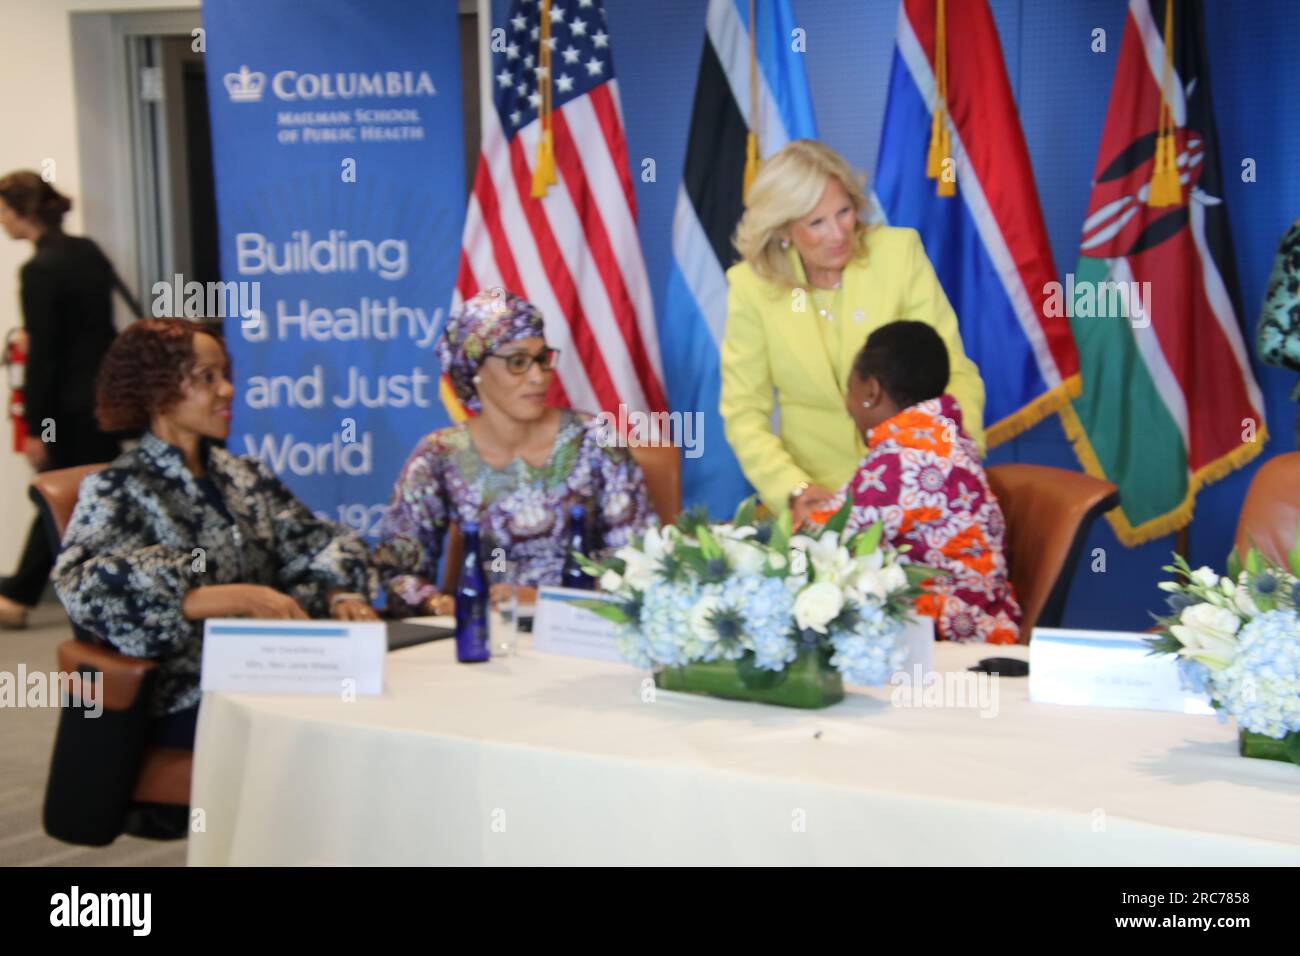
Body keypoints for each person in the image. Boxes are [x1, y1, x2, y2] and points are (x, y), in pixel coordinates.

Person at [53, 319, 377, 749]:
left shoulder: (245, 476)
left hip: (277, 672)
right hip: (192, 692)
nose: (227, 390)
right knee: (330, 736)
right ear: (157, 391)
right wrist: (233, 597)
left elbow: (317, 542)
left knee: (375, 709)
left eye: (226, 375)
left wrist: (341, 594)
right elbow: (81, 584)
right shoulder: (121, 487)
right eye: (208, 378)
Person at [720, 140, 986, 528]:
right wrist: (794, 489)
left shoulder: (898, 255)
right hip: (817, 506)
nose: (838, 233)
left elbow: (954, 372)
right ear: (784, 231)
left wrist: (946, 463)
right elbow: (744, 411)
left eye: (843, 212)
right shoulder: (752, 287)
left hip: (917, 491)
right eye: (816, 223)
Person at [375, 289, 656, 615]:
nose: (538, 377)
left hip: (583, 632)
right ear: (475, 369)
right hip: (489, 637)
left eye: (541, 359)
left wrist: (553, 602)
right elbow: (398, 568)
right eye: (518, 362)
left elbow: (639, 558)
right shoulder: (438, 456)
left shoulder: (596, 439)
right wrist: (437, 603)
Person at [822, 321, 1020, 644]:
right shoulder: (944, 438)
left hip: (949, 644)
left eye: (850, 389)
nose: (849, 404)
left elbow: (826, 541)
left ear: (871, 391)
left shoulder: (899, 464)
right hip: (986, 627)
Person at [0, 171, 138, 628]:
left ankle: (19, 596)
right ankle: (30, 592)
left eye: (3, 210)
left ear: (21, 211)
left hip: (67, 408)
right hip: (101, 398)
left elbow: (45, 357)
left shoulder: (38, 270)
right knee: (85, 495)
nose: (1, 221)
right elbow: (99, 330)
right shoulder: (86, 251)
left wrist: (37, 426)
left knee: (60, 494)